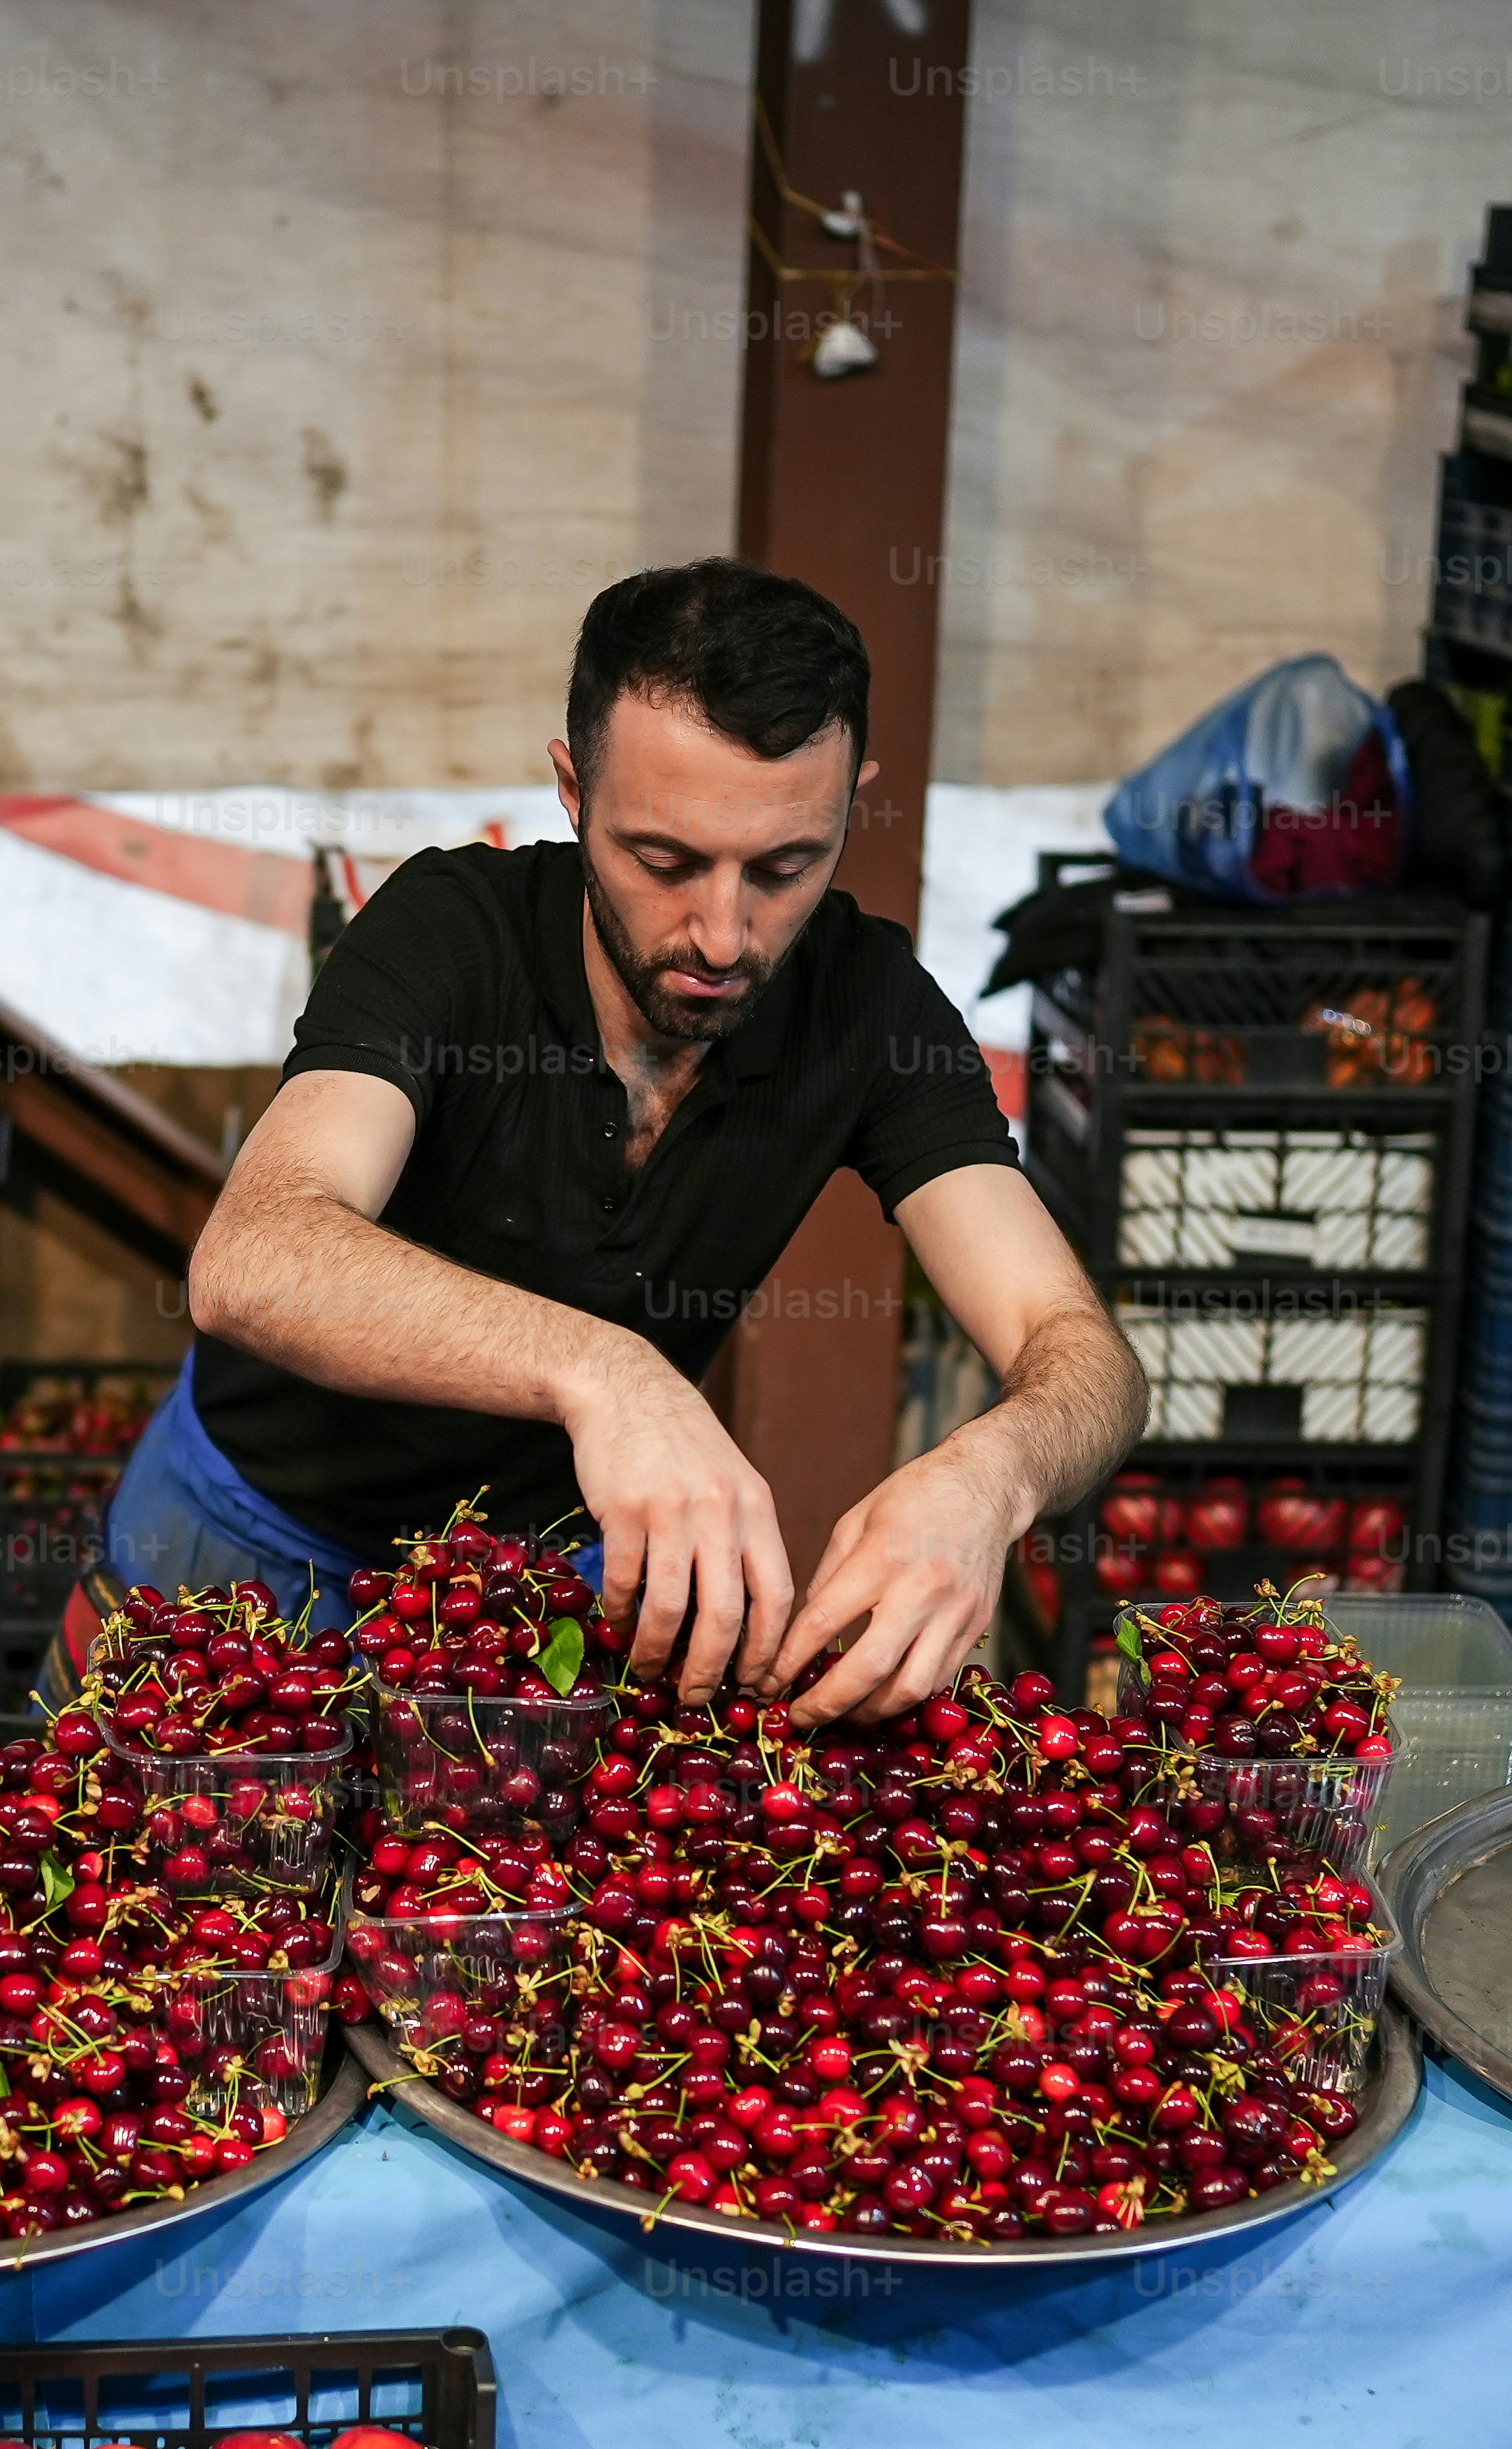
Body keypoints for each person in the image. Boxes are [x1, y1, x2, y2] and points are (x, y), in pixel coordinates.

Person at [119, 557, 1141, 1718]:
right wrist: (607, 1371)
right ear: (572, 788)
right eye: (663, 862)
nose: (721, 933)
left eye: (785, 867)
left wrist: (993, 1476)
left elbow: (1082, 1352)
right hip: (253, 1545)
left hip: (557, 1594)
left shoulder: (870, 1008)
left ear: (855, 798)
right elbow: (253, 1257)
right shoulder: (450, 938)